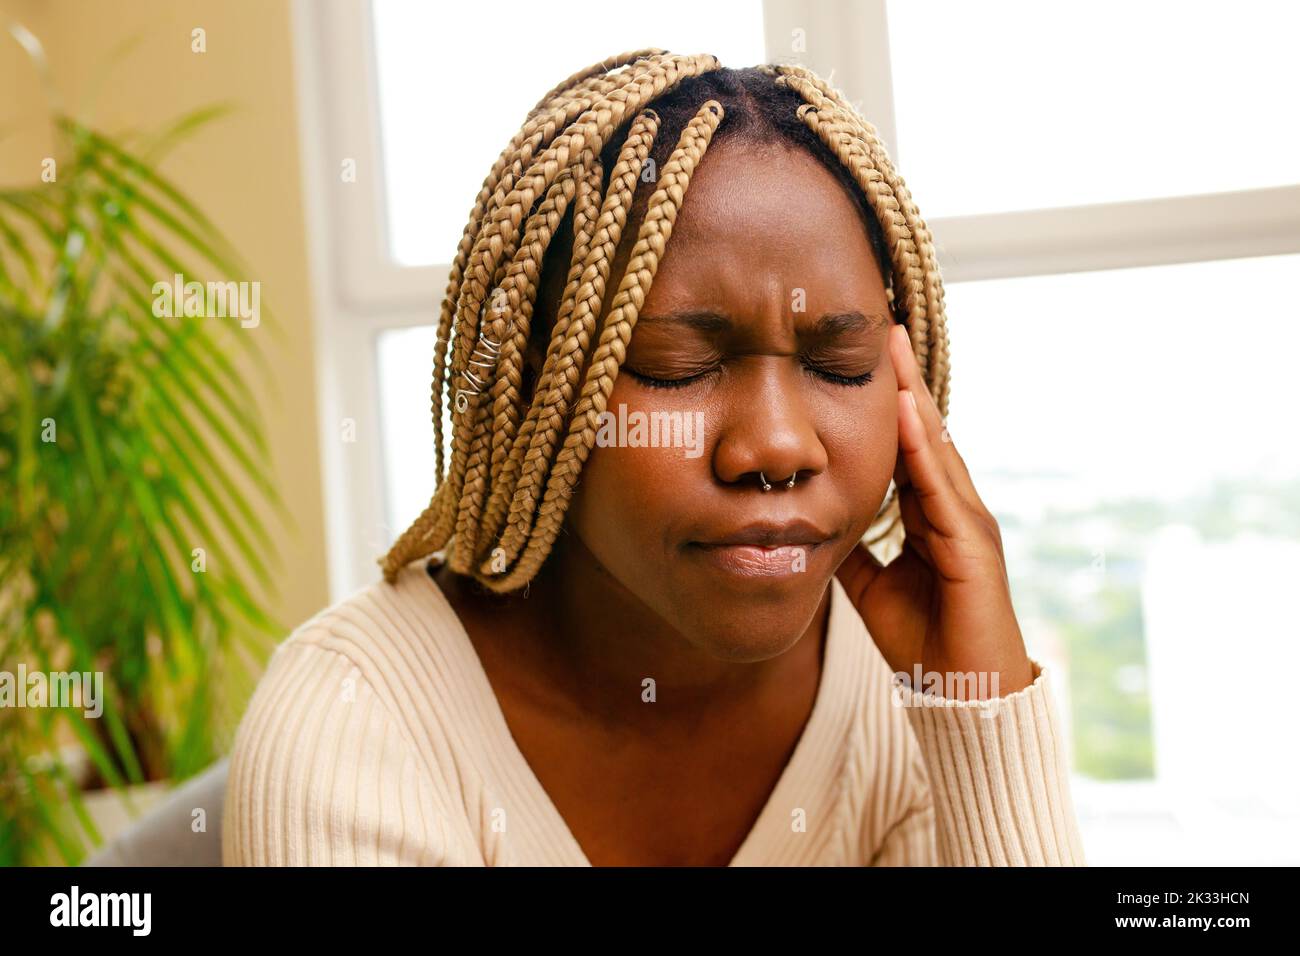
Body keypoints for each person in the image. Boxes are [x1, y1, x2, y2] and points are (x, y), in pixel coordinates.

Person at [223, 51, 1086, 866]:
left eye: (839, 366)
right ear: (536, 386)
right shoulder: (356, 718)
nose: (779, 447)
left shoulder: (914, 689)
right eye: (682, 365)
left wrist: (979, 716)